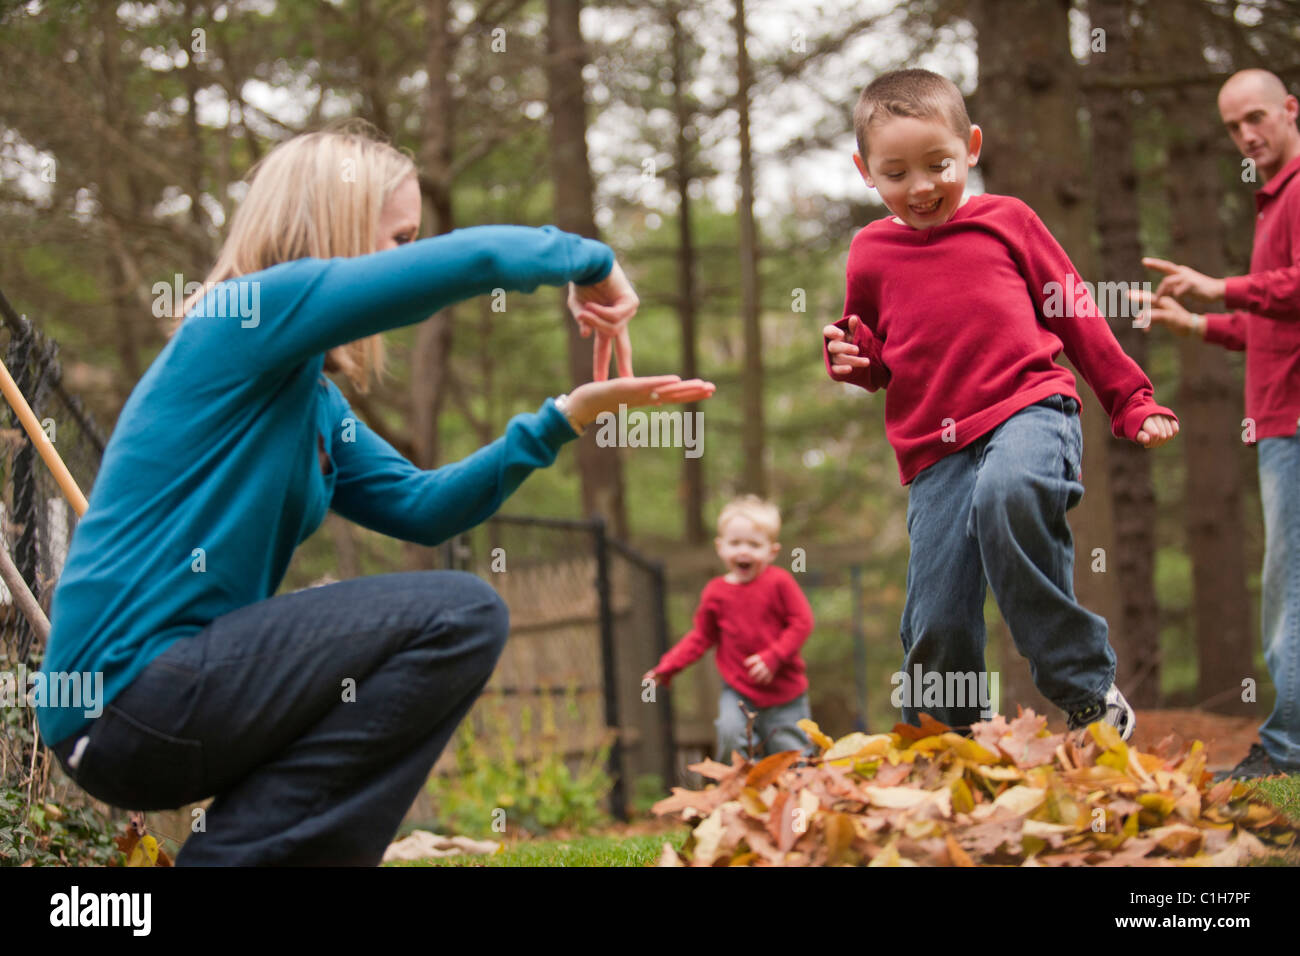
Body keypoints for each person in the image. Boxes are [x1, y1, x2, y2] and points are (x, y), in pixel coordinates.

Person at [34, 120, 715, 865]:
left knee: (458, 614)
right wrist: (589, 260)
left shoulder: (314, 404)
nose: (407, 260)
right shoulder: (241, 317)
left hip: (173, 703)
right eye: (398, 240)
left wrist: (559, 420)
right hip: (125, 696)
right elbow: (472, 262)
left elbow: (423, 509)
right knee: (459, 613)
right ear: (334, 223)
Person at [823, 69, 1179, 739]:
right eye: (896, 173)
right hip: (935, 449)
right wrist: (852, 359)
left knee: (1008, 495)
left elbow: (1075, 311)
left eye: (939, 164)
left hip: (1030, 409)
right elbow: (869, 351)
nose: (922, 186)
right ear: (865, 171)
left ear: (972, 146)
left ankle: (1086, 692)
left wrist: (1130, 398)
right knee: (937, 611)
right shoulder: (869, 252)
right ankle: (943, 737)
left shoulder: (1007, 221)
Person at [1134, 69, 1300, 778]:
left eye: (1256, 118)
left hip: (1293, 424)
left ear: (1292, 109)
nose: (1246, 136)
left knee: (1288, 588)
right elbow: (1273, 323)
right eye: (1233, 127)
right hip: (1276, 418)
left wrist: (1216, 284)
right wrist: (1200, 323)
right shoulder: (1274, 199)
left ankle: (1288, 756)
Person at [642, 496, 814, 761]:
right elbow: (700, 637)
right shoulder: (715, 593)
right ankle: (743, 792)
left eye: (754, 545)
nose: (743, 551)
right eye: (735, 543)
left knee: (792, 755)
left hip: (786, 695)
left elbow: (802, 622)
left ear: (772, 551)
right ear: (720, 547)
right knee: (731, 734)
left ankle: (794, 798)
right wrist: (667, 668)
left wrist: (774, 656)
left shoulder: (780, 583)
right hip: (739, 691)